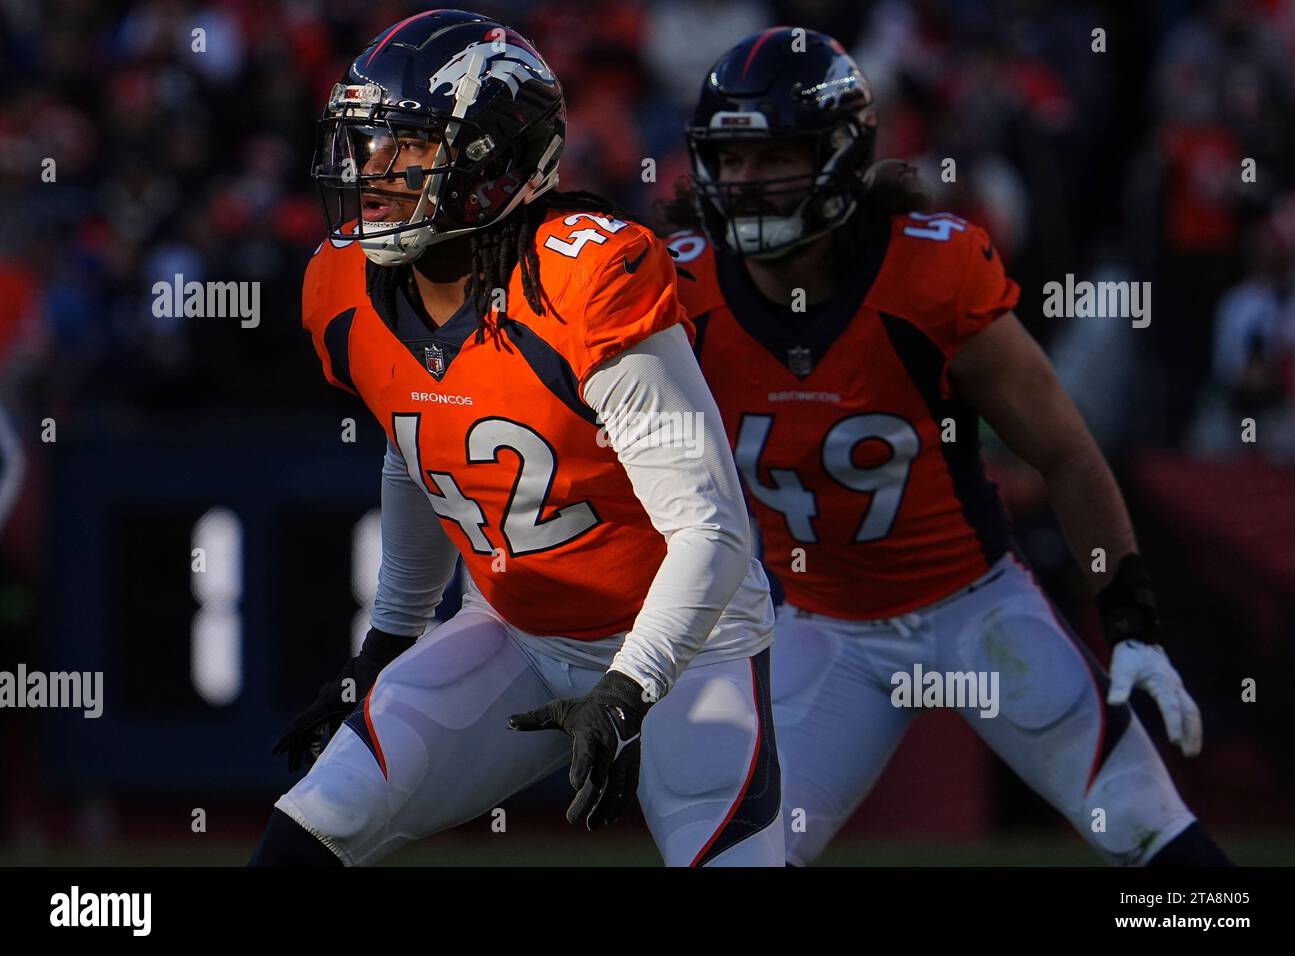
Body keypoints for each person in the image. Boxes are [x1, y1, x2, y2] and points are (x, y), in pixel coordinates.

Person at [664, 27, 1230, 866]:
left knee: (1146, 830)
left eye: (773, 157)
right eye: (729, 159)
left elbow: (1067, 453)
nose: (744, 183)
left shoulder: (928, 277)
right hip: (827, 627)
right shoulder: (680, 290)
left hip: (975, 609)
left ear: (839, 156)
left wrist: (1132, 621)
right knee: (732, 859)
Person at [250, 9, 781, 867]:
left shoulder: (584, 279)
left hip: (690, 643)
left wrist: (630, 685)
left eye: (406, 146)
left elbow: (713, 528)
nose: (370, 172)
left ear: (493, 161)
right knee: (314, 826)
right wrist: (388, 641)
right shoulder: (342, 284)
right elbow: (417, 444)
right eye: (364, 142)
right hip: (518, 634)